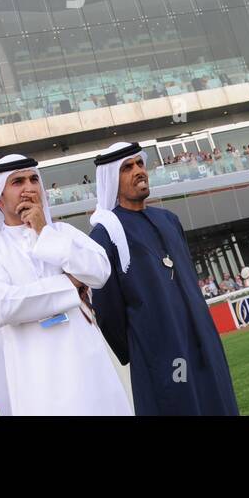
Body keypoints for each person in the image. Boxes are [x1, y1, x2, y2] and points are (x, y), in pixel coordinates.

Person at [0, 153, 132, 416]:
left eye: (33, 179)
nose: (29, 187)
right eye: (17, 182)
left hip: (89, 371)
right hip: (38, 381)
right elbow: (4, 305)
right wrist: (70, 286)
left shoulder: (62, 233)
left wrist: (45, 232)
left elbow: (100, 271)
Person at [88, 142, 238, 415]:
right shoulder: (104, 234)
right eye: (127, 168)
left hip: (202, 337)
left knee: (217, 403)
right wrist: (145, 344)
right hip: (158, 352)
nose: (138, 171)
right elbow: (108, 311)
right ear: (111, 178)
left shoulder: (169, 219)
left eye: (140, 164)